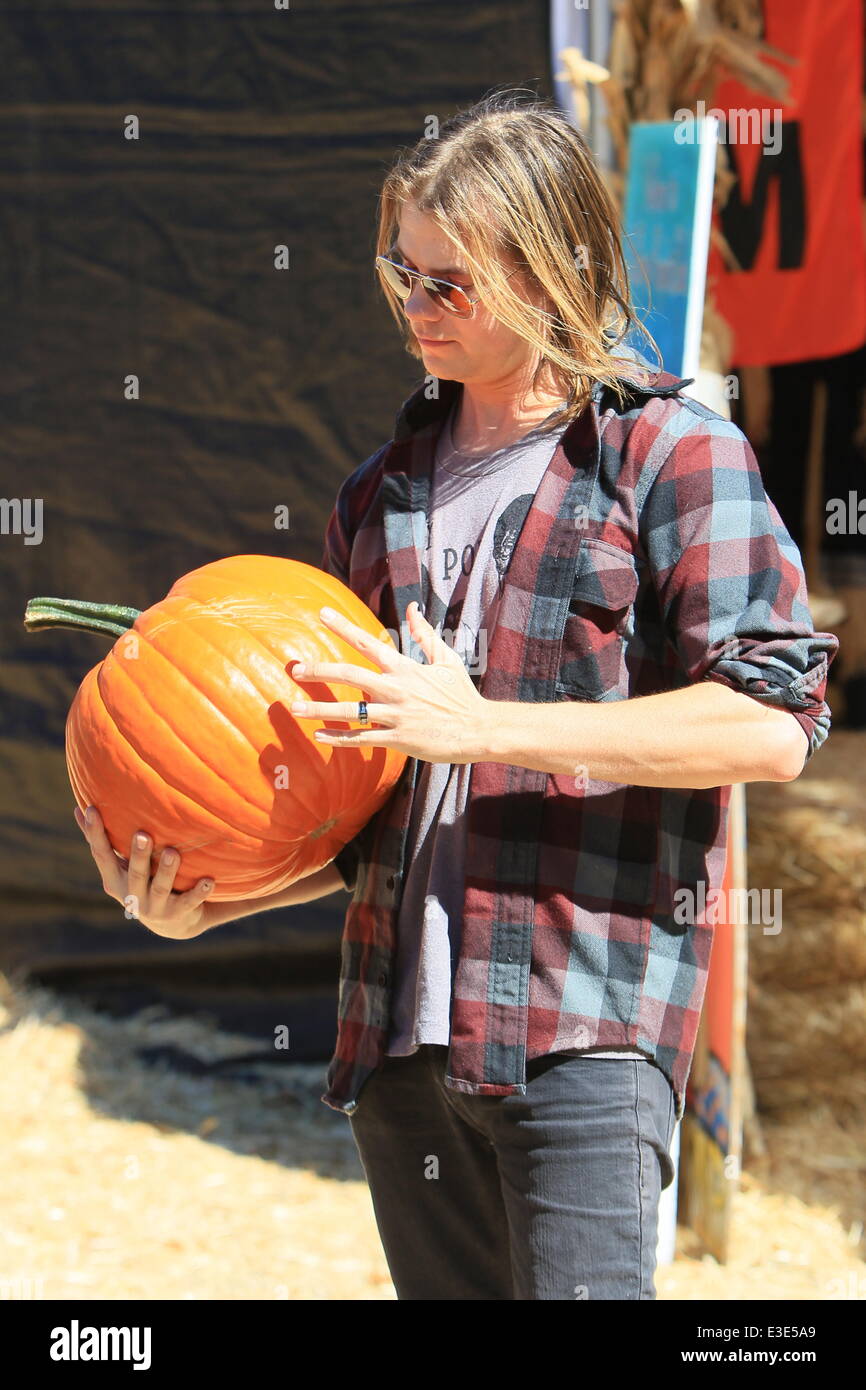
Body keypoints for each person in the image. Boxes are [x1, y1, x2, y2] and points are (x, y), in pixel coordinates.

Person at [76, 88, 839, 1300]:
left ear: (546, 273)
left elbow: (768, 723)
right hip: (398, 1043)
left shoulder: (672, 457)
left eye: (450, 282)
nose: (416, 308)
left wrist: (482, 725)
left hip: (582, 1030)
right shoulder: (380, 495)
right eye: (401, 274)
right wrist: (209, 905)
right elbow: (365, 793)